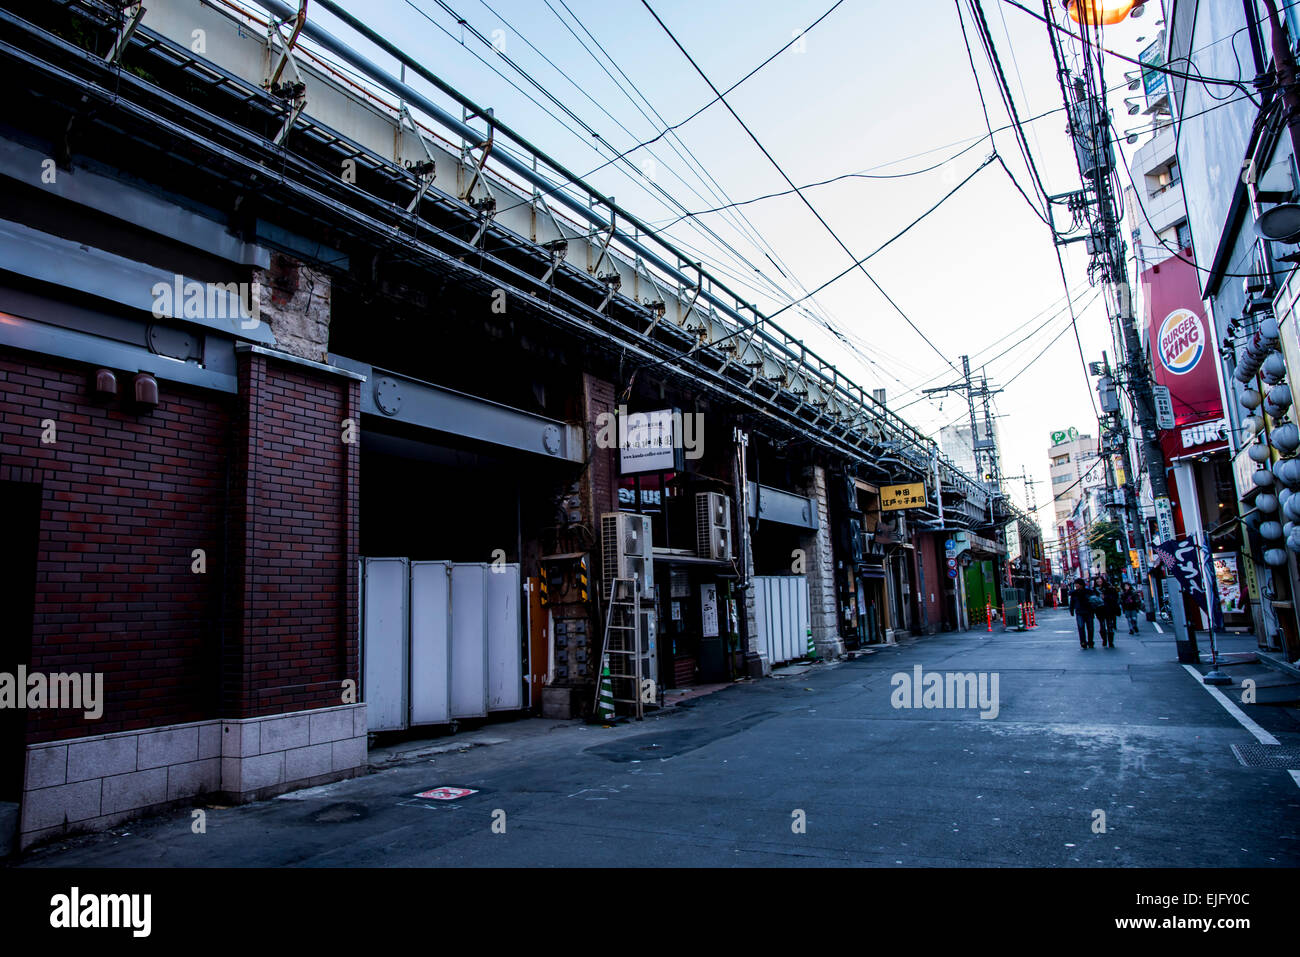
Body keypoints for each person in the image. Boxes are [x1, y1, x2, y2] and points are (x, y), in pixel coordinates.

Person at [1068, 577, 1097, 648]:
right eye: (1076, 584)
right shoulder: (1074, 593)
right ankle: (1083, 642)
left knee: (1090, 628)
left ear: (1081, 585)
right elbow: (1072, 603)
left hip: (1089, 612)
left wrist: (1094, 610)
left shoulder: (1089, 592)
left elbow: (1093, 602)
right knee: (1081, 627)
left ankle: (1090, 641)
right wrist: (1071, 610)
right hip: (1079, 612)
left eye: (1077, 584)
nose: (1076, 586)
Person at [1097, 577, 1121, 648]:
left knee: (1110, 626)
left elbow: (1115, 597)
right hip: (1099, 610)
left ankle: (1110, 641)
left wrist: (1106, 597)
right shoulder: (1095, 589)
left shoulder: (1109, 588)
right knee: (1102, 627)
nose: (1098, 581)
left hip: (1109, 609)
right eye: (1097, 580)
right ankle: (1104, 639)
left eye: (1100, 579)